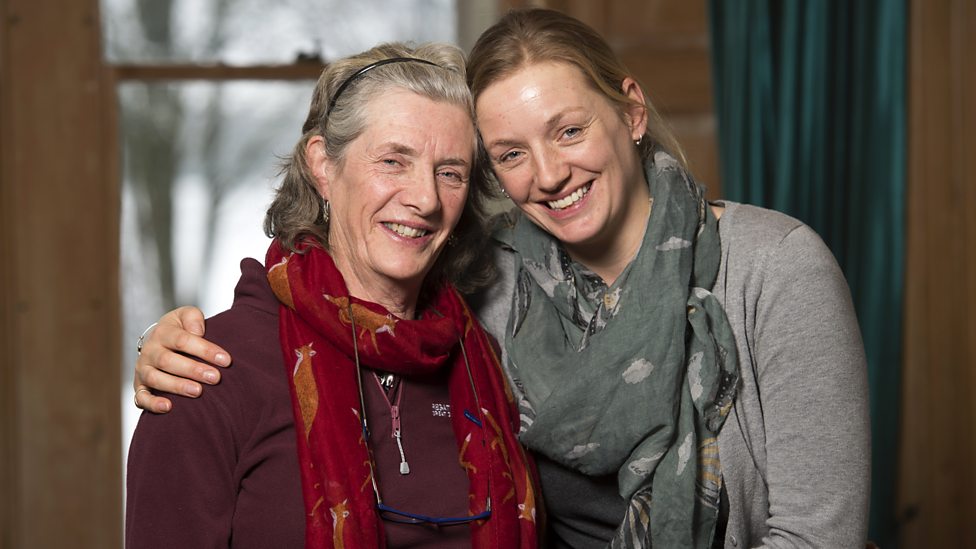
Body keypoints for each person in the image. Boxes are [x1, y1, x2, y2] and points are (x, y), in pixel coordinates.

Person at [132, 9, 870, 548]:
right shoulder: (493, 292)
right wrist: (165, 344)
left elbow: (817, 533)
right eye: (510, 154)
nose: (549, 174)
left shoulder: (771, 267)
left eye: (570, 129)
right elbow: (337, 290)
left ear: (632, 111)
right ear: (323, 165)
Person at [125, 41, 539, 549]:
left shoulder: (487, 355)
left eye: (450, 173)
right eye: (393, 160)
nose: (425, 199)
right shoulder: (204, 372)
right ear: (323, 164)